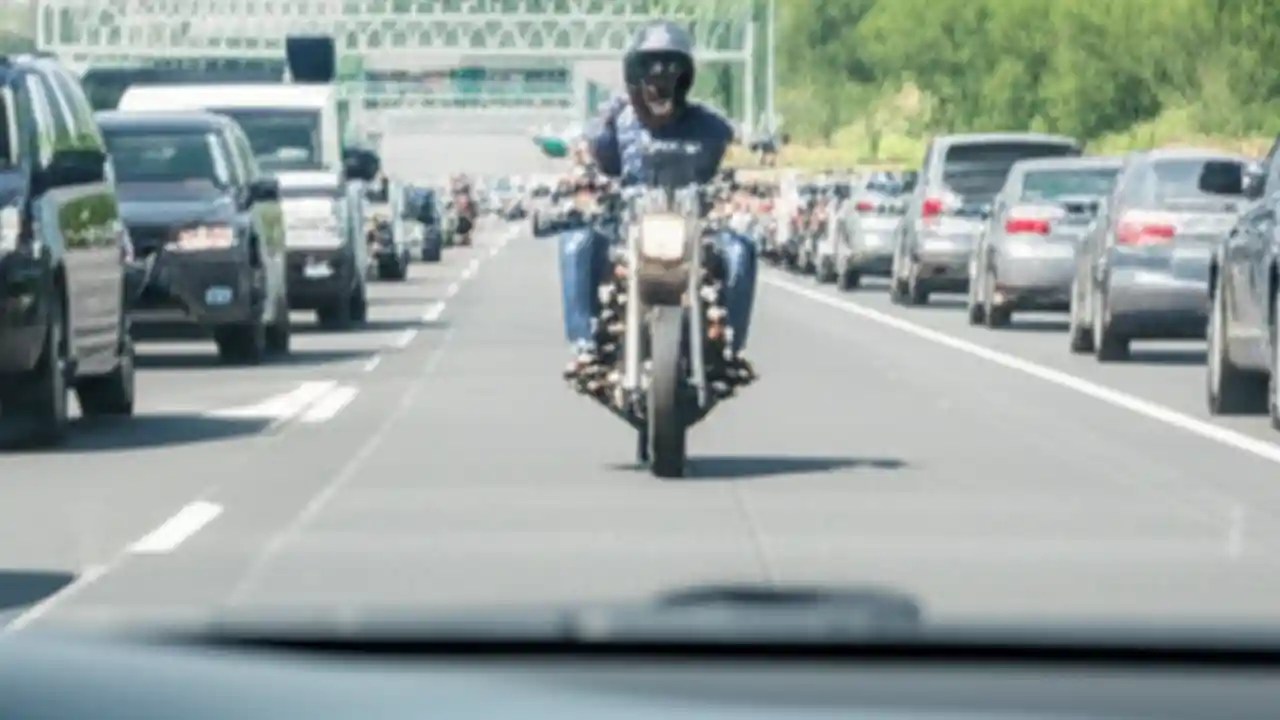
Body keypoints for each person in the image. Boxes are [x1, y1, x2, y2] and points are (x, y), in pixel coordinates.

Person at [558, 20, 758, 384]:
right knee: (576, 244)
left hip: (692, 230)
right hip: (627, 234)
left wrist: (748, 173)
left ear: (685, 79)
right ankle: (584, 345)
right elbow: (595, 156)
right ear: (633, 78)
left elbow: (738, 152)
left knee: (741, 250)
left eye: (670, 71)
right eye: (649, 71)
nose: (660, 81)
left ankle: (731, 345)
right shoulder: (615, 122)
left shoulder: (709, 125)